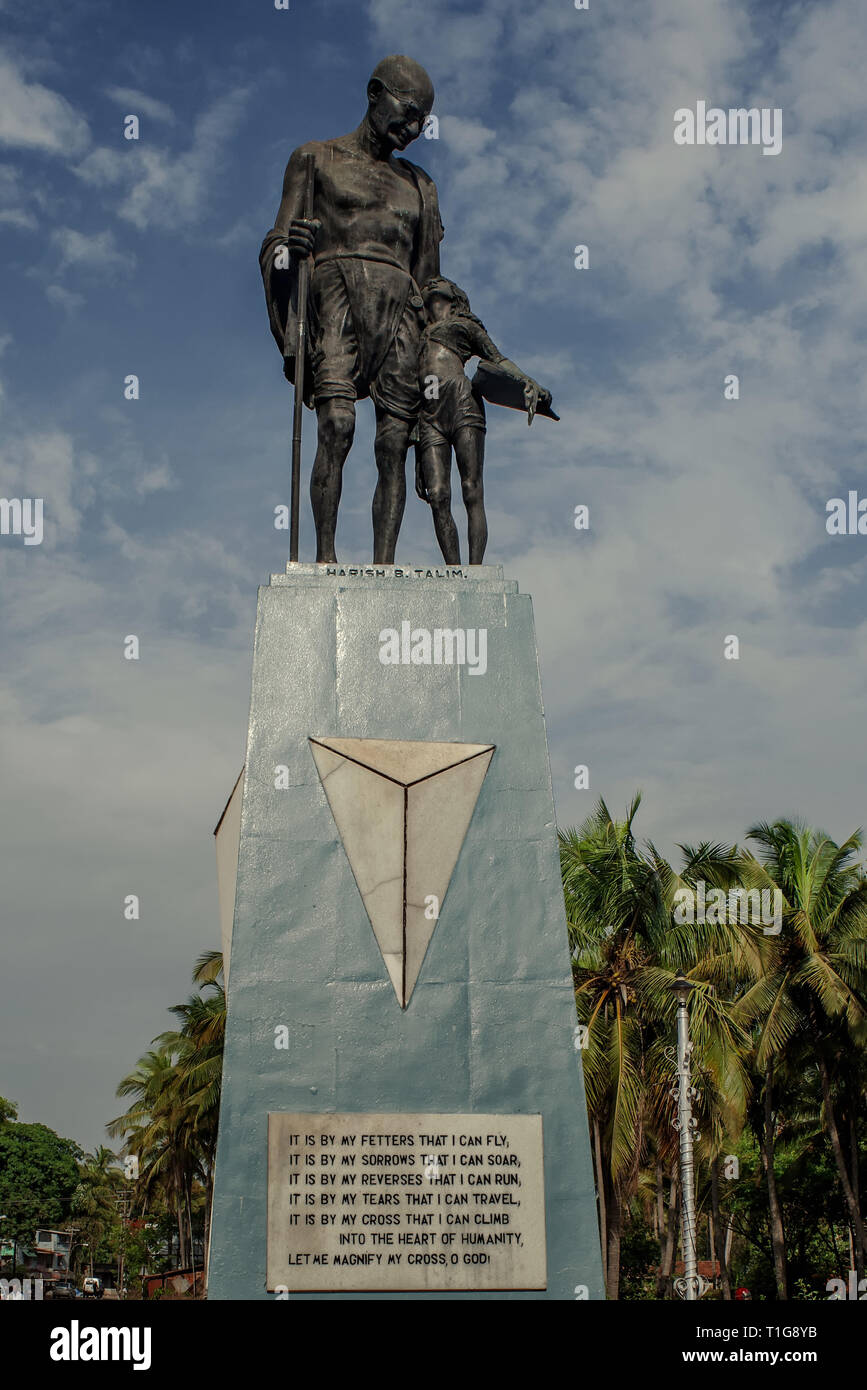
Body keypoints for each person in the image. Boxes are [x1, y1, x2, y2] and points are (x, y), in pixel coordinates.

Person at [260, 56, 444, 563]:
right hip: (335, 293)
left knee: (394, 441)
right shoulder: (315, 159)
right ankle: (325, 558)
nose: (411, 130)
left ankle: (383, 563)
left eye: (421, 124)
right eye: (406, 113)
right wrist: (288, 249)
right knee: (337, 424)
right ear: (374, 93)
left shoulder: (421, 187)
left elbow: (429, 280)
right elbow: (277, 242)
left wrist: (443, 351)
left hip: (400, 309)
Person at [414, 276, 552, 564]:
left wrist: (527, 381)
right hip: (428, 412)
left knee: (471, 488)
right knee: (438, 494)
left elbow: (497, 359)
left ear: (454, 296)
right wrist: (416, 454)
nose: (430, 284)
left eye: (438, 283)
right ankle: (454, 571)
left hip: (461, 400)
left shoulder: (465, 325)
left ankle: (475, 569)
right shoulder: (417, 336)